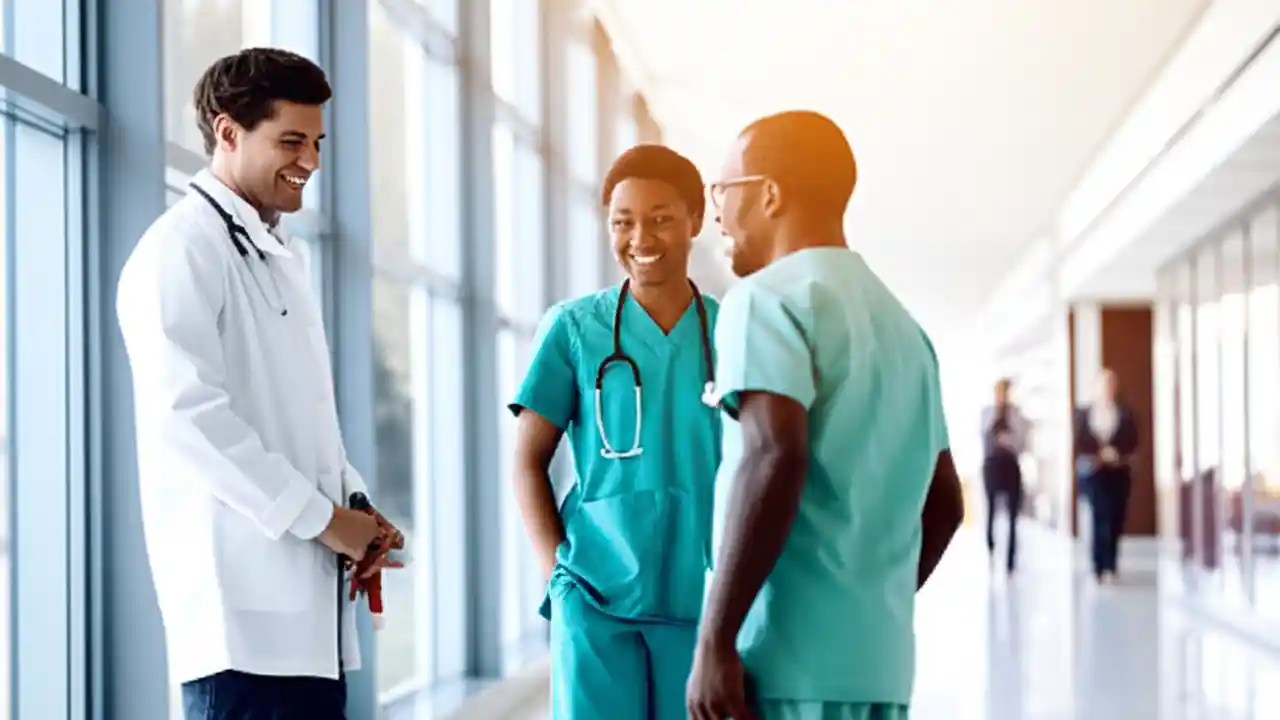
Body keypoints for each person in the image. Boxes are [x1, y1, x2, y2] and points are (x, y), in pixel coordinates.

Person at [117, 48, 399, 719]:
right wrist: (325, 521)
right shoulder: (179, 250)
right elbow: (186, 420)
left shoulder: (272, 257)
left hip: (305, 624)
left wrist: (353, 507)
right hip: (238, 627)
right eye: (292, 141)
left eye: (318, 142)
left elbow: (293, 421)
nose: (312, 162)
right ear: (227, 132)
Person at [685, 110, 965, 720]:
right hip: (877, 667)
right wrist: (861, 607)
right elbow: (946, 503)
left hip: (780, 666)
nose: (716, 216)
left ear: (769, 194)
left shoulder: (765, 301)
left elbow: (772, 454)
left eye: (722, 193)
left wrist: (714, 641)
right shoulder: (904, 329)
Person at [508, 144, 722, 719]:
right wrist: (559, 577)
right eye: (623, 222)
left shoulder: (733, 332)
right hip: (596, 598)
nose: (641, 240)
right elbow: (528, 460)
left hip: (703, 601)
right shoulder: (574, 328)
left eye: (661, 220)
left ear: (694, 221)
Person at [1074, 368, 1138, 585]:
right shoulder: (1083, 414)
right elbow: (1079, 442)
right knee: (1098, 517)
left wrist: (1117, 453)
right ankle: (1098, 565)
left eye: (1110, 385)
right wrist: (1097, 454)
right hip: (1094, 473)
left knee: (1114, 519)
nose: (1107, 389)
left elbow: (1133, 440)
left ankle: (1111, 563)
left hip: (1118, 472)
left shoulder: (1124, 413)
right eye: (1103, 385)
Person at [981, 378, 1030, 574]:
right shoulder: (987, 413)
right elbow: (982, 437)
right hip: (992, 466)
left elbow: (1024, 443)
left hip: (1011, 466)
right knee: (991, 511)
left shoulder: (1017, 415)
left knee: (1012, 514)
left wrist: (1010, 441)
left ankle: (1011, 559)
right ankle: (991, 549)